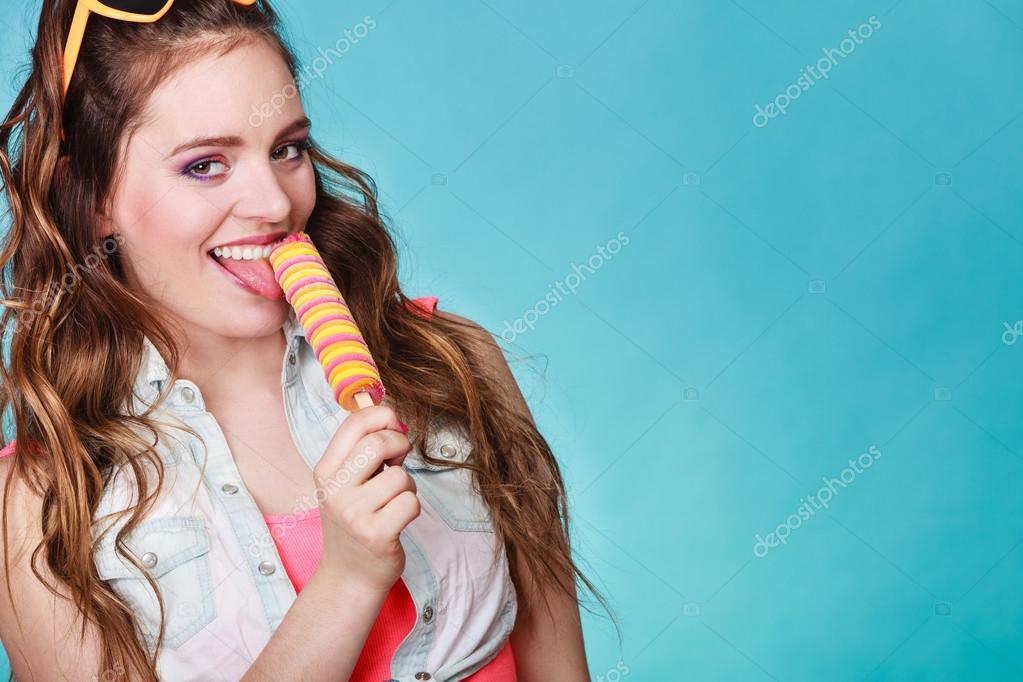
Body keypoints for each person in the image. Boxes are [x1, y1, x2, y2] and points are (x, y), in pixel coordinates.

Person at [0, 0, 613, 679]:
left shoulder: (454, 366)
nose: (275, 204)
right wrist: (346, 580)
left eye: (286, 149)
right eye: (205, 165)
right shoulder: (36, 507)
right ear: (92, 198)